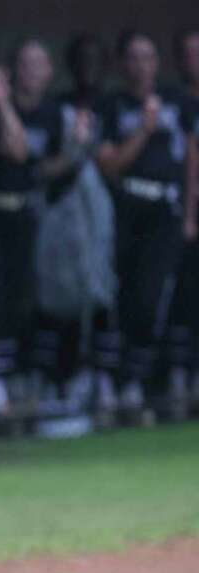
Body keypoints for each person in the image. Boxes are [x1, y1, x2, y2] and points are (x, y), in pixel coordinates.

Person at [95, 30, 196, 423]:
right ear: (123, 64)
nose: (141, 65)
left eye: (149, 57)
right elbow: (109, 165)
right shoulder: (112, 106)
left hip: (165, 210)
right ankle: (106, 381)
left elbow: (190, 158)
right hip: (125, 208)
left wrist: (188, 214)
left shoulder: (177, 102)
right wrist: (143, 129)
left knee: (151, 298)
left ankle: (136, 381)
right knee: (116, 296)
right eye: (133, 57)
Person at [30, 34, 116, 419]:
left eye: (94, 59)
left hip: (108, 215)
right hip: (62, 216)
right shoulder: (58, 109)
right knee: (61, 298)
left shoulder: (111, 106)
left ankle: (100, 378)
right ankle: (58, 378)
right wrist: (75, 147)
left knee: (104, 294)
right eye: (80, 59)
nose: (88, 67)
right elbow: (41, 169)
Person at [0, 40, 61, 414]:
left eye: (39, 64)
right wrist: (0, 104)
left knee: (34, 300)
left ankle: (33, 378)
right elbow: (16, 150)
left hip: (35, 216)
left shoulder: (53, 113)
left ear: (50, 72)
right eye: (24, 64)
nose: (32, 71)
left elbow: (42, 162)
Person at [166, 27, 199, 417]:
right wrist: (190, 216)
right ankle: (178, 375)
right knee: (184, 297)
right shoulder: (173, 103)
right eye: (189, 53)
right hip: (182, 215)